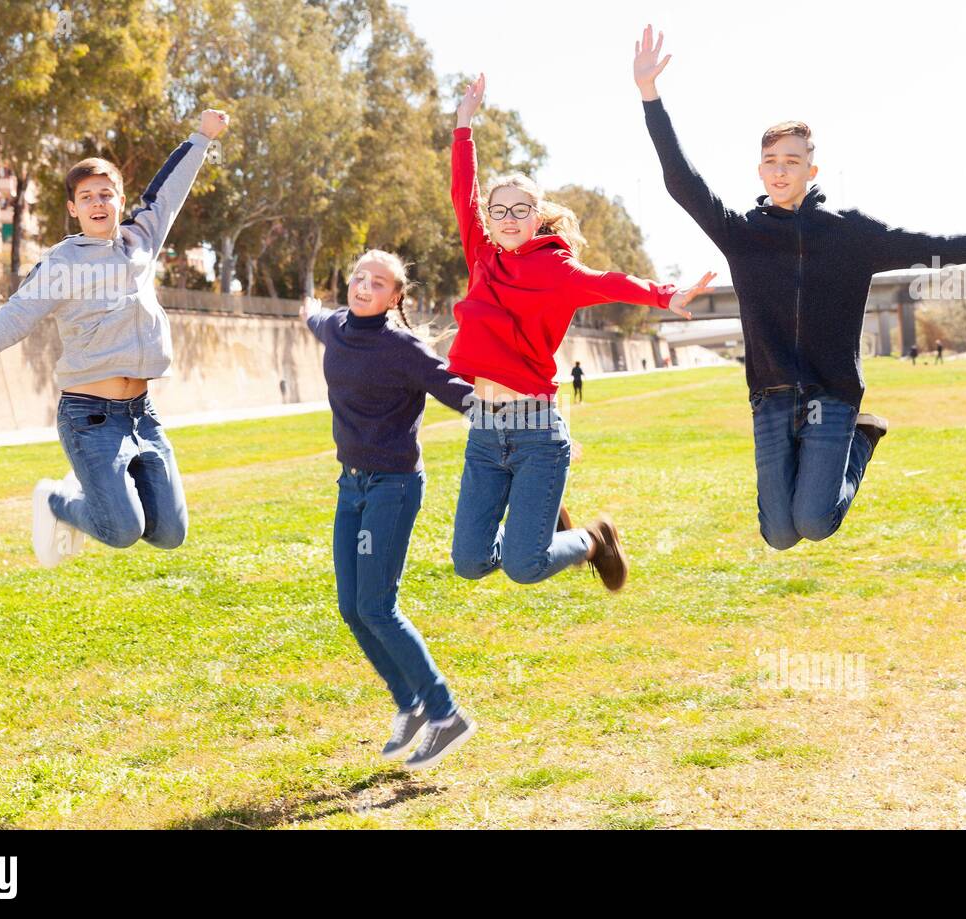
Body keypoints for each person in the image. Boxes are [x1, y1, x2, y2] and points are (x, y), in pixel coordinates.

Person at [633, 24, 966, 551]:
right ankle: (817, 470)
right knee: (779, 535)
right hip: (772, 394)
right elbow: (681, 182)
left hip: (832, 393)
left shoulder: (851, 232)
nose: (780, 170)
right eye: (771, 161)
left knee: (814, 521)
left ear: (812, 167)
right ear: (759, 169)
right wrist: (651, 96)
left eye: (792, 161)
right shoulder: (741, 235)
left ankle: (861, 438)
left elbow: (937, 244)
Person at [447, 74, 716, 592]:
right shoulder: (482, 254)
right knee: (470, 561)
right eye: (498, 210)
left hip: (536, 434)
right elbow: (463, 192)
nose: (507, 218)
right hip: (483, 432)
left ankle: (592, 540)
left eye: (519, 210)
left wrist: (666, 295)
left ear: (535, 218)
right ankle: (540, 526)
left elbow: (611, 282)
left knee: (525, 567)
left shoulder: (555, 270)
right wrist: (464, 126)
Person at [0, 109, 230, 567]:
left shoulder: (141, 241)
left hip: (142, 413)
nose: (97, 202)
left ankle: (90, 493)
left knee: (169, 534)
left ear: (119, 200)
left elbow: (168, 191)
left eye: (106, 194)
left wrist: (202, 137)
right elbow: (16, 316)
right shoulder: (63, 262)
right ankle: (58, 501)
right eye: (86, 196)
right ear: (73, 208)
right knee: (122, 530)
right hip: (89, 416)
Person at [304, 250, 478, 770]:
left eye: (377, 283)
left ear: (395, 297)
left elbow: (462, 395)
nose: (363, 286)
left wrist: (529, 424)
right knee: (352, 608)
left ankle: (446, 714)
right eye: (358, 276)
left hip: (393, 487)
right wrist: (307, 306)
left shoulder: (405, 349)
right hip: (350, 485)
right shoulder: (334, 327)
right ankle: (412, 704)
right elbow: (314, 317)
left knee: (377, 606)